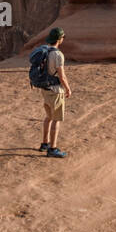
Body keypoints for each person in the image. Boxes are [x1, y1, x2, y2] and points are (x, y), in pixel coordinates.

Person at [35, 27, 71, 159]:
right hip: (56, 91)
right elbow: (62, 76)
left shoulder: (43, 50)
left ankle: (44, 143)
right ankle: (52, 148)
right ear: (59, 39)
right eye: (62, 37)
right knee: (56, 119)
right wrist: (68, 88)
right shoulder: (58, 55)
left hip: (45, 89)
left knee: (48, 116)